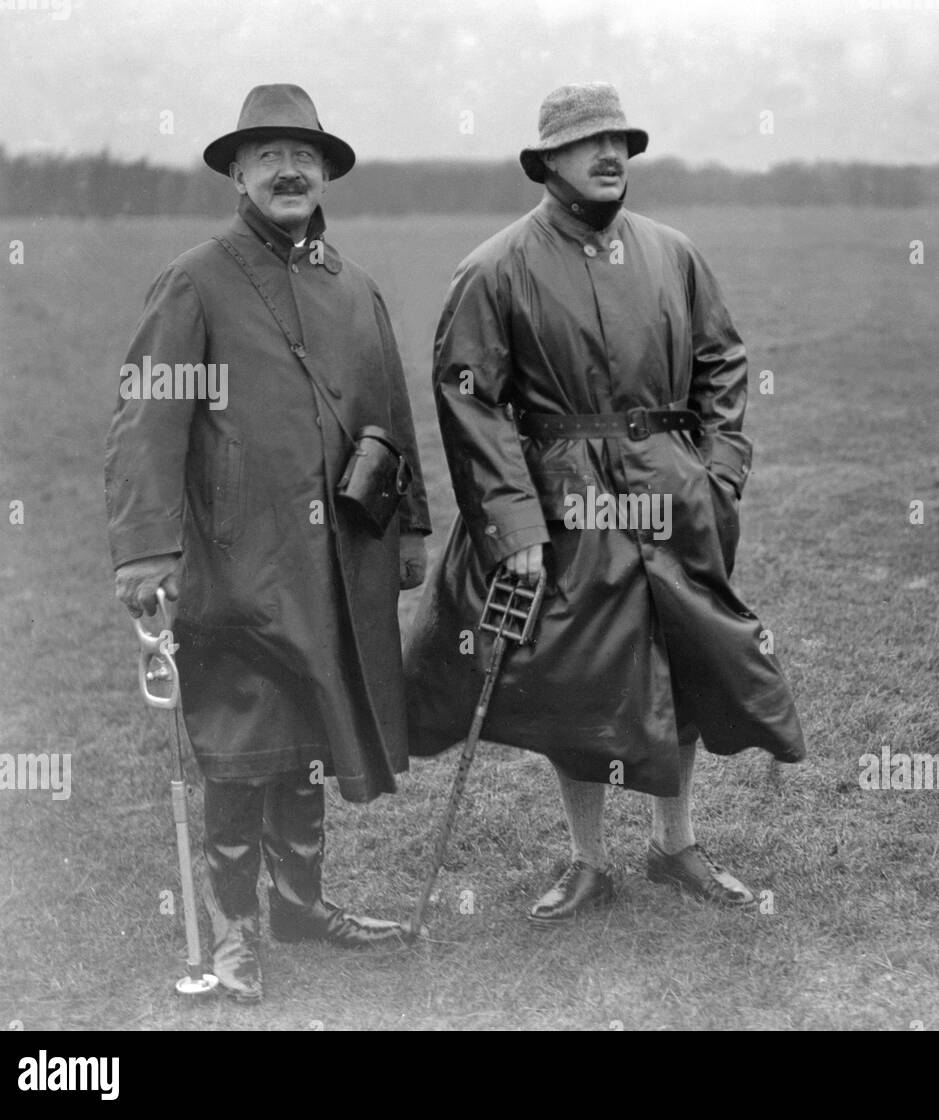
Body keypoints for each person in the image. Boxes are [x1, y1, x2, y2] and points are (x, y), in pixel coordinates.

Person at [405, 82, 805, 923]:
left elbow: (723, 361)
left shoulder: (672, 253)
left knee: (685, 657)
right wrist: (512, 522)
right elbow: (469, 400)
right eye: (588, 144)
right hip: (565, 500)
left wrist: (719, 470)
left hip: (674, 492)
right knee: (575, 674)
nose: (610, 154)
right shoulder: (495, 268)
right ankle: (587, 861)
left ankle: (675, 845)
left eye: (618, 140)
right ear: (548, 162)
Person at [105, 84, 431, 1000]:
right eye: (268, 154)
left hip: (338, 559)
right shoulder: (197, 278)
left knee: (313, 728)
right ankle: (235, 932)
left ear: (325, 171)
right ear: (238, 172)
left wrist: (407, 526)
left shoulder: (354, 286)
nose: (290, 170)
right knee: (244, 740)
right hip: (236, 556)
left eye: (306, 155)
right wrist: (143, 551)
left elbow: (390, 414)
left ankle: (299, 905)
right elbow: (146, 420)